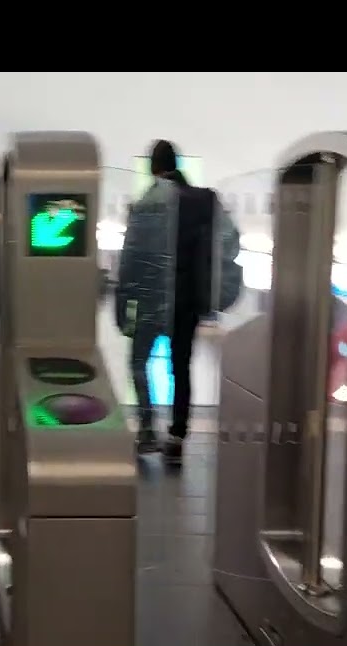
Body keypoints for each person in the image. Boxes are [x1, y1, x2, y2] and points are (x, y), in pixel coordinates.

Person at [116, 140, 241, 461]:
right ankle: (177, 434)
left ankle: (146, 428)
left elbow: (131, 259)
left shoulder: (146, 203)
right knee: (180, 366)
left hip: (148, 301)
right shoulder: (205, 200)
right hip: (188, 300)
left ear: (152, 168)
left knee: (138, 362)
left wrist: (123, 303)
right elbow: (229, 241)